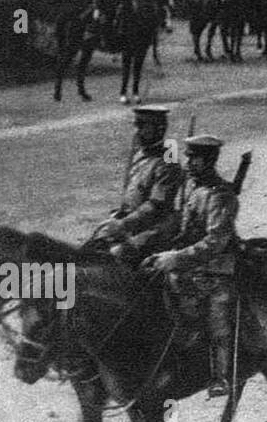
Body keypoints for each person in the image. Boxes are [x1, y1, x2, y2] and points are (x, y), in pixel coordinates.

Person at [143, 135, 239, 399]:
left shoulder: (221, 196)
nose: (187, 162)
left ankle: (221, 375)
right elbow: (182, 227)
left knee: (217, 316)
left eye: (193, 158)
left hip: (215, 268)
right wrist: (160, 248)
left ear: (208, 161)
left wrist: (175, 258)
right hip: (187, 261)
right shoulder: (191, 187)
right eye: (186, 156)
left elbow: (215, 242)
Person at [90, 105, 182, 263]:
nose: (137, 131)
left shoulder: (168, 159)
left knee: (118, 255)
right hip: (132, 221)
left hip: (155, 227)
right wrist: (119, 216)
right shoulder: (141, 151)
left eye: (143, 127)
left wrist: (123, 224)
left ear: (159, 129)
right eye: (136, 126)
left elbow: (156, 205)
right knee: (94, 244)